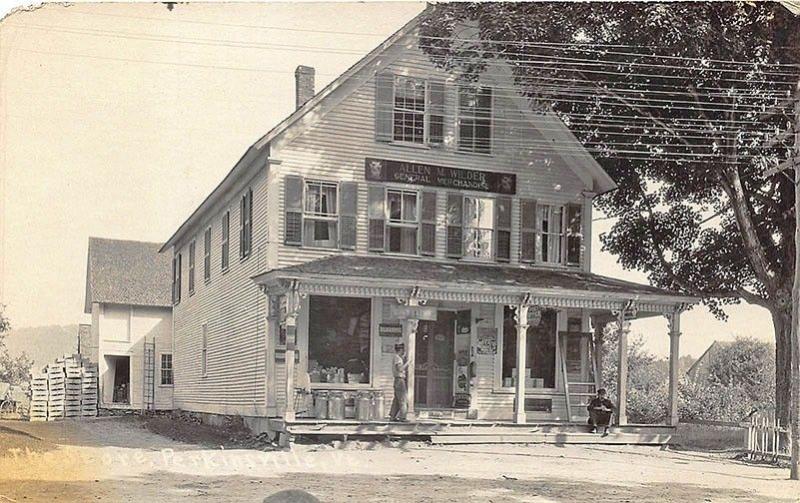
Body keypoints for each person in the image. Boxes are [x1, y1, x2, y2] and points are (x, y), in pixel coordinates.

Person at [389, 342, 409, 422]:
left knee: (397, 399)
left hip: (397, 380)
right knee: (403, 399)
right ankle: (403, 417)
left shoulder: (396, 357)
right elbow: (400, 369)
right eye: (403, 350)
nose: (404, 351)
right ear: (400, 350)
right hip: (400, 380)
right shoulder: (398, 358)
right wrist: (408, 363)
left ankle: (392, 416)